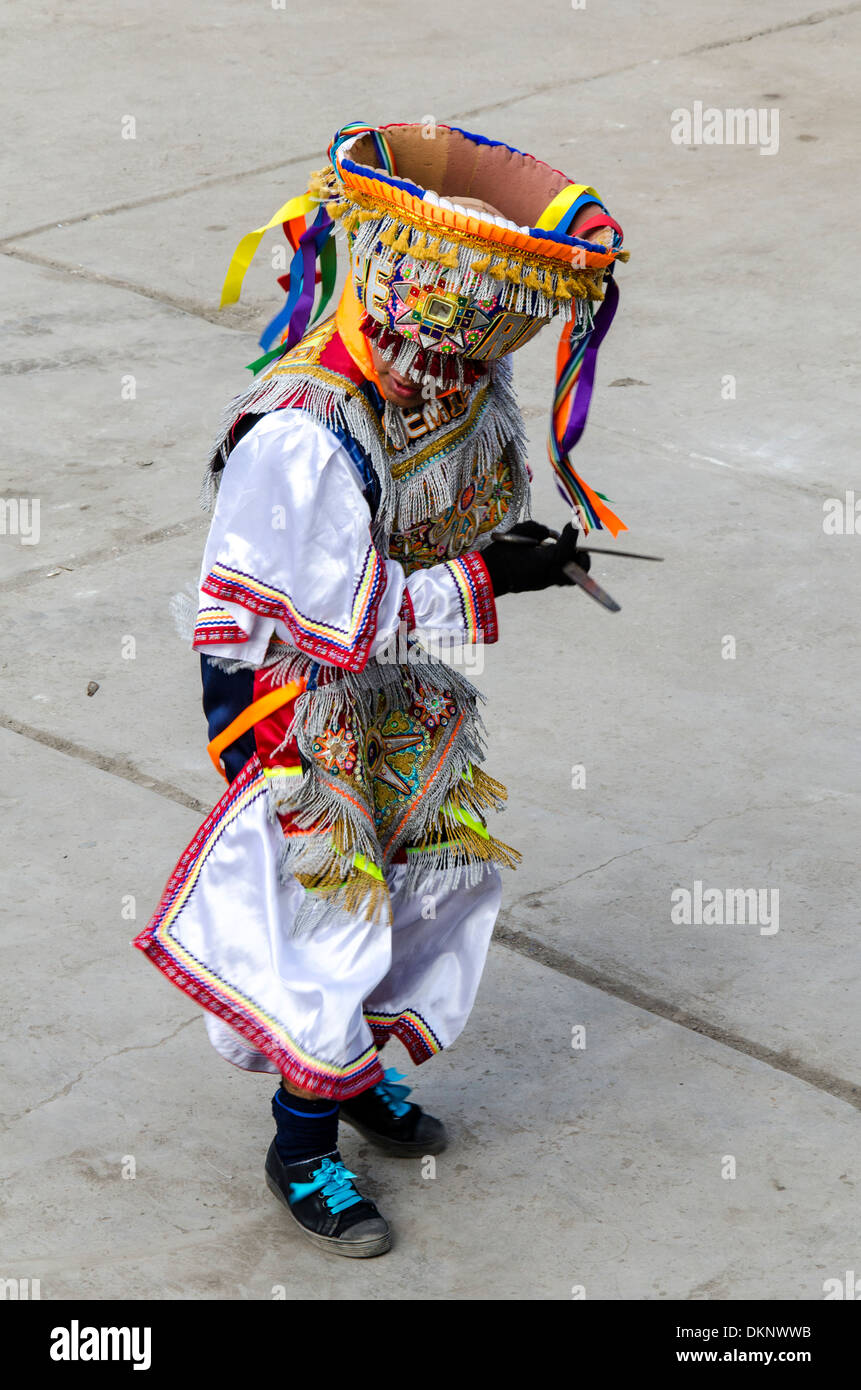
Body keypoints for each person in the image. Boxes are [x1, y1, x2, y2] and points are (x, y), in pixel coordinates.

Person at [134, 121, 628, 1258]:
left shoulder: (435, 383)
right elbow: (324, 625)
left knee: (434, 885)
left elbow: (438, 523)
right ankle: (300, 1147)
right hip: (299, 704)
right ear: (407, 302)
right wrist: (489, 574)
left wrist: (522, 554)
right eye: (451, 357)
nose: (465, 379)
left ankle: (354, 1078)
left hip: (408, 687)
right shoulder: (304, 434)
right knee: (332, 919)